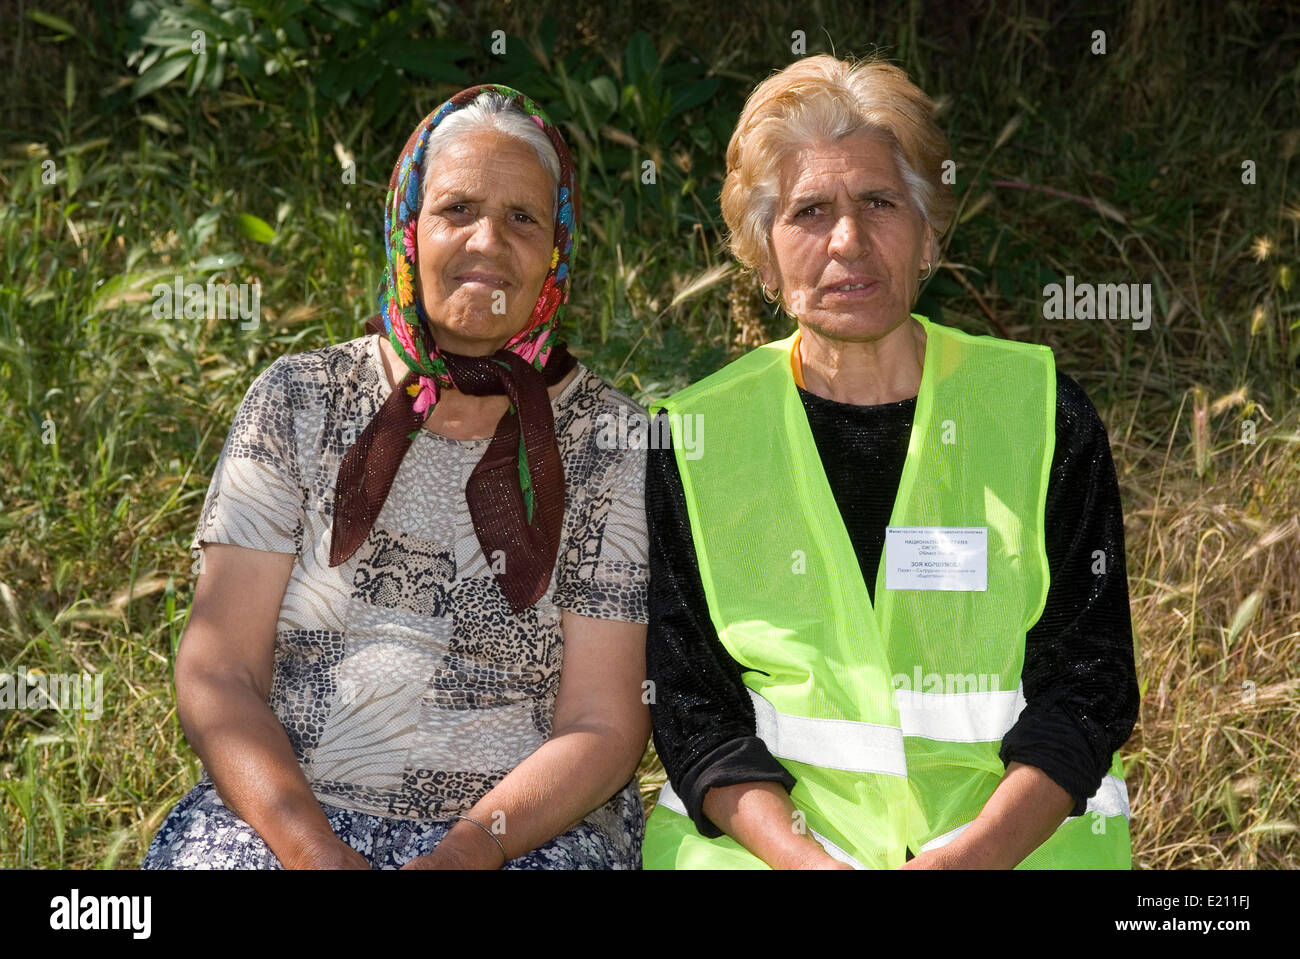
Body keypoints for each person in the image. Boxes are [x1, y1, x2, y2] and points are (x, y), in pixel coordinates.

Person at [642, 55, 1139, 869]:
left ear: (927, 232)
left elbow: (1091, 685)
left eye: (879, 202)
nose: (848, 240)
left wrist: (966, 859)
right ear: (763, 254)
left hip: (1016, 845)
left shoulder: (1041, 412)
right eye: (809, 211)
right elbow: (695, 713)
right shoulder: (691, 437)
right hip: (770, 853)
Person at [143, 85, 651, 870]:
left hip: (518, 833)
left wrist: (467, 851)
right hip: (288, 815)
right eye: (457, 210)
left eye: (523, 218)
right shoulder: (300, 397)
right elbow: (220, 668)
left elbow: (604, 721)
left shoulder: (610, 438)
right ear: (408, 231)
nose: (488, 239)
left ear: (558, 246)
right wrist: (312, 849)